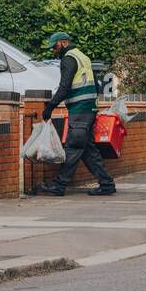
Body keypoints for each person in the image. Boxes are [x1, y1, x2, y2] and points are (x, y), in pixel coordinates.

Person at [35, 31, 117, 197]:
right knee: (88, 150)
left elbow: (64, 86)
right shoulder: (82, 56)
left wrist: (50, 106)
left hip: (80, 110)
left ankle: (59, 185)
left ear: (63, 42)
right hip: (89, 108)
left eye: (55, 46)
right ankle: (106, 184)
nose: (54, 50)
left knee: (73, 147)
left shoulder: (69, 59)